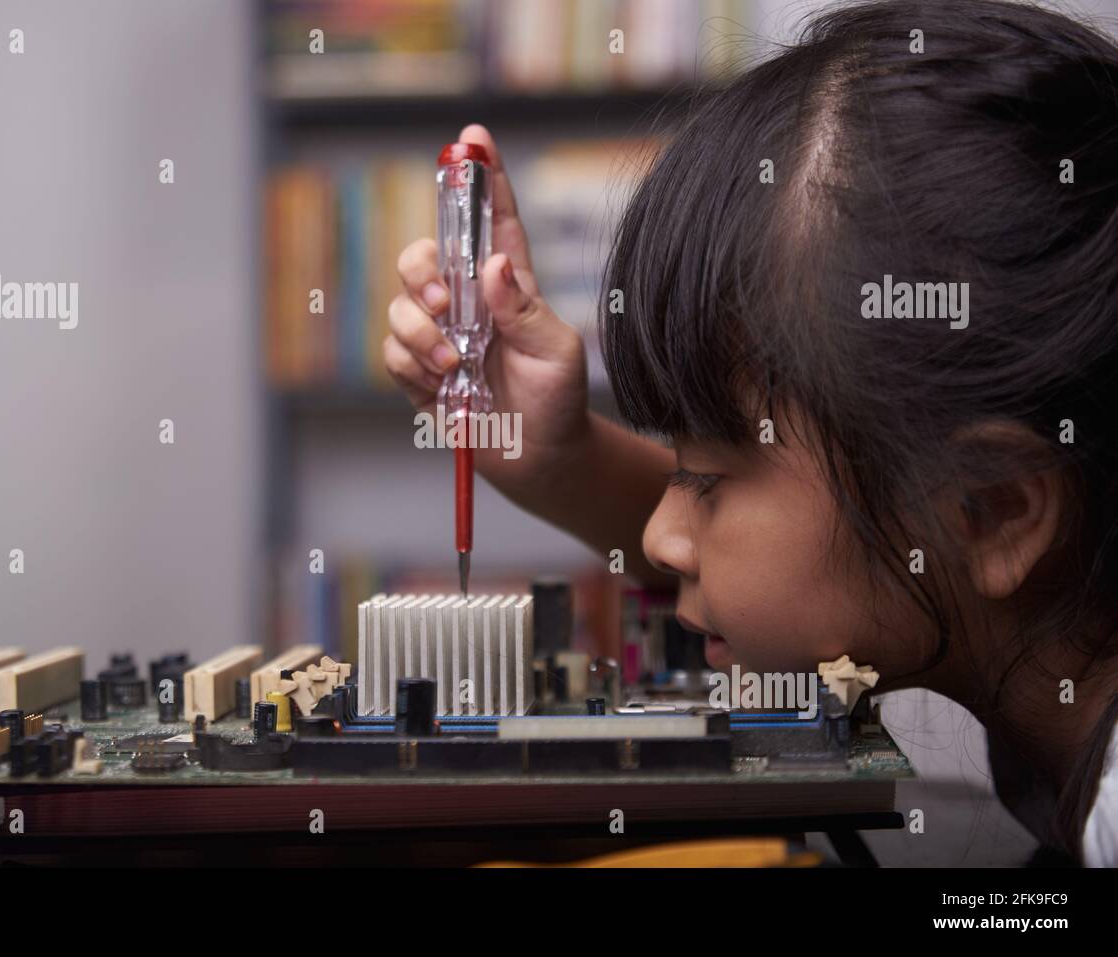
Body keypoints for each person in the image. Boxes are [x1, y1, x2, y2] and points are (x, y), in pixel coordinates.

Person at [383, 0, 1118, 866]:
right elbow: (800, 562)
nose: (659, 534)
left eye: (709, 480)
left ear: (992, 508)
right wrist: (565, 458)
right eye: (681, 465)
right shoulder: (991, 618)